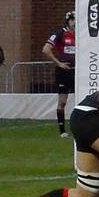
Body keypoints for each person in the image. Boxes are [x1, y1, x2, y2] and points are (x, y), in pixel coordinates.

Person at [42, 10, 76, 139]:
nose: (74, 23)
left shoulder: (82, 34)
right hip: (63, 72)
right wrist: (58, 63)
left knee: (81, 100)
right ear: (68, 21)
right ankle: (62, 131)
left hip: (77, 71)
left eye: (76, 20)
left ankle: (79, 128)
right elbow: (46, 49)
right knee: (62, 102)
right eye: (72, 20)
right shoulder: (60, 34)